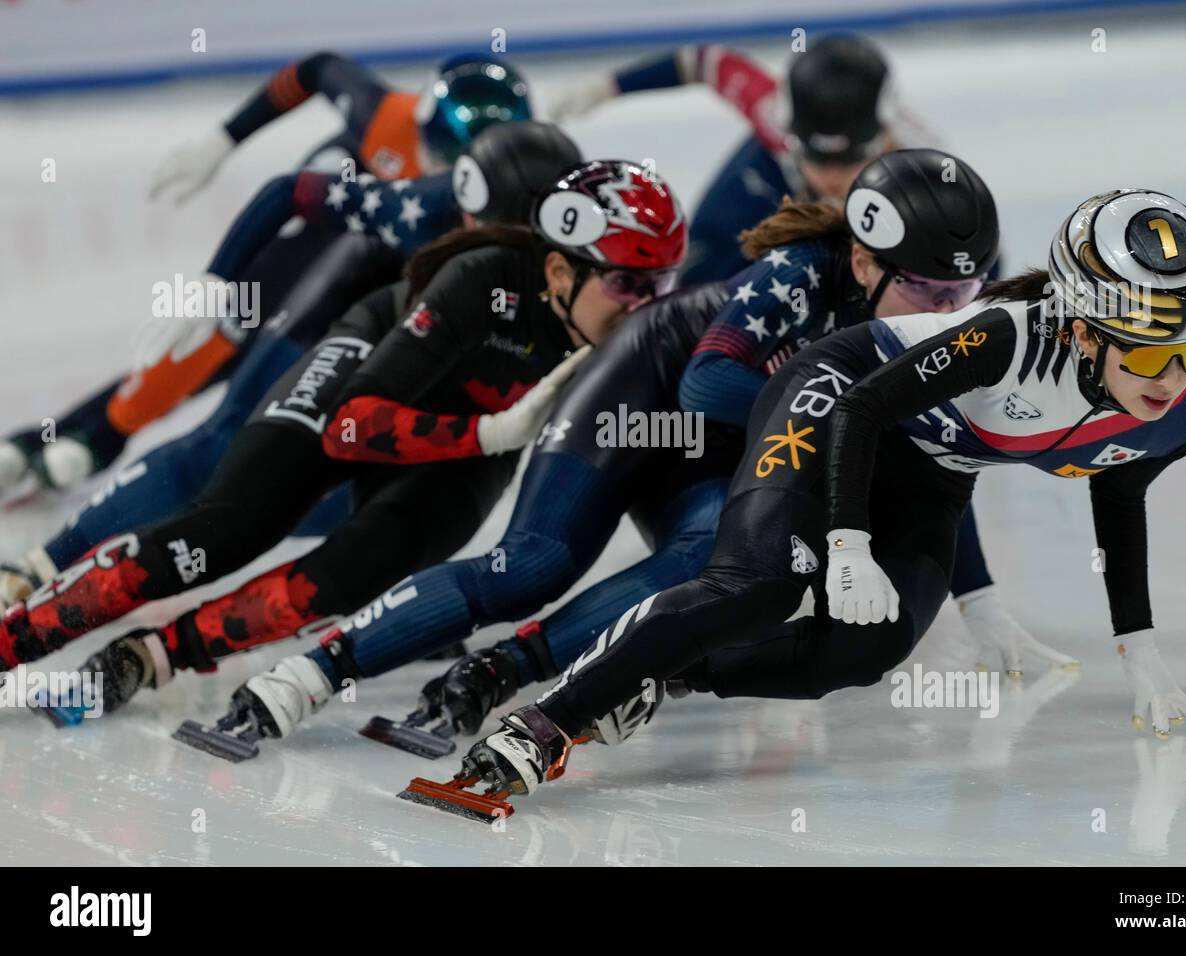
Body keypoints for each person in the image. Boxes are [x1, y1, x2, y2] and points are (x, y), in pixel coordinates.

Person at [176, 151, 1053, 756]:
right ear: (862, 262)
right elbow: (708, 385)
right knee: (535, 563)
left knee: (706, 558)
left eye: (966, 290)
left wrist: (978, 601)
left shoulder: (932, 325)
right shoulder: (799, 274)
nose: (948, 311)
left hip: (718, 444)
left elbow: (942, 457)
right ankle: (313, 671)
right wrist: (846, 425)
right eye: (927, 289)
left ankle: (499, 671)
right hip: (645, 393)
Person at [450, 186, 1186, 804]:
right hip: (836, 398)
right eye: (1149, 355)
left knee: (862, 651)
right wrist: (848, 547)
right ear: (1084, 332)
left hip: (928, 467)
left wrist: (1142, 658)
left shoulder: (1181, 415)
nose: (1172, 380)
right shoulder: (1006, 340)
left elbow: (1119, 501)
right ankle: (543, 722)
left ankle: (664, 674)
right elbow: (862, 408)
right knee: (756, 586)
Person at [0, 160, 686, 712]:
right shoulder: (481, 280)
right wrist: (489, 432)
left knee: (359, 570)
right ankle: (12, 639)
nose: (648, 305)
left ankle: (157, 656)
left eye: (662, 283)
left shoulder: (638, 332)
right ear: (561, 271)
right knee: (226, 530)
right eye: (630, 285)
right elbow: (350, 427)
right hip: (373, 380)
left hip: (465, 441)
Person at [0, 119, 564, 610]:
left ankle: (373, 592)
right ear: (463, 211)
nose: (508, 260)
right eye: (496, 239)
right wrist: (217, 279)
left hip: (435, 343)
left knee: (378, 489)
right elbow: (290, 189)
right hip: (339, 318)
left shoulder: (564, 253)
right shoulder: (416, 210)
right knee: (221, 450)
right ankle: (48, 563)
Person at [0, 55, 530, 501]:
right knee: (210, 348)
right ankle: (87, 438)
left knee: (262, 380)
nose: (447, 178)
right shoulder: (383, 116)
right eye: (442, 154)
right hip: (304, 250)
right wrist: (223, 138)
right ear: (421, 126)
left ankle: (89, 443)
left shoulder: (510, 177)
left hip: (366, 279)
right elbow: (316, 69)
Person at [548, 34, 935, 284]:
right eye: (817, 158)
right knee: (704, 262)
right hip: (774, 175)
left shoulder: (919, 159)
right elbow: (703, 61)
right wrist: (607, 87)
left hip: (871, 195)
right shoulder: (771, 113)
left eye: (849, 161)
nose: (831, 177)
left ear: (886, 138)